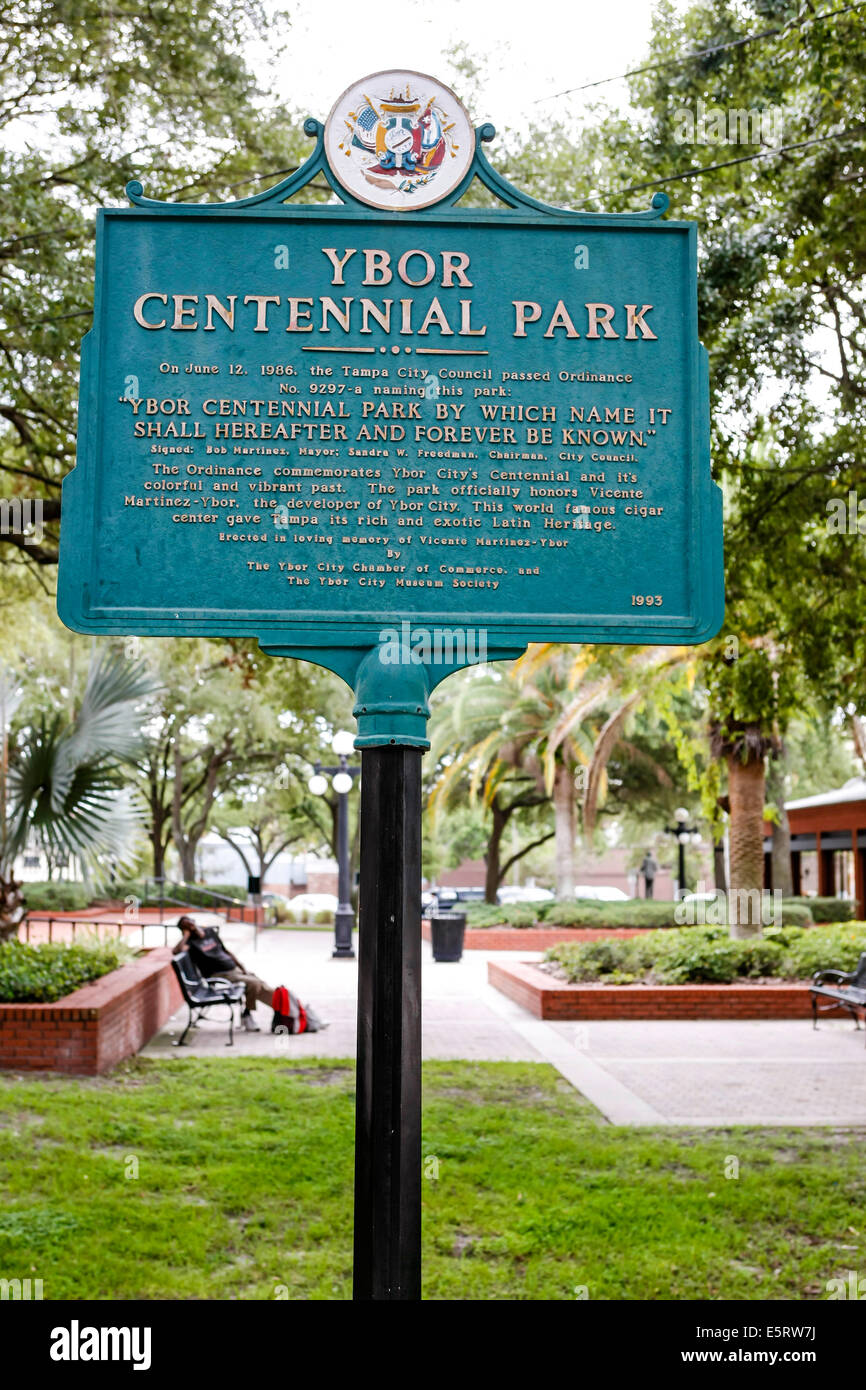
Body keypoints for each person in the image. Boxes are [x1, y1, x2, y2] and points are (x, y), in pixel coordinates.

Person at [173, 916, 274, 1032]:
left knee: (259, 983)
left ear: (194, 921)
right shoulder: (191, 942)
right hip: (219, 975)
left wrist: (242, 967)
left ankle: (279, 1006)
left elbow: (226, 951)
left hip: (233, 970)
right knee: (254, 984)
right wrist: (186, 934)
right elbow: (176, 951)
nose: (190, 926)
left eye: (190, 922)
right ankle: (247, 1015)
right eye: (186, 926)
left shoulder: (210, 932)